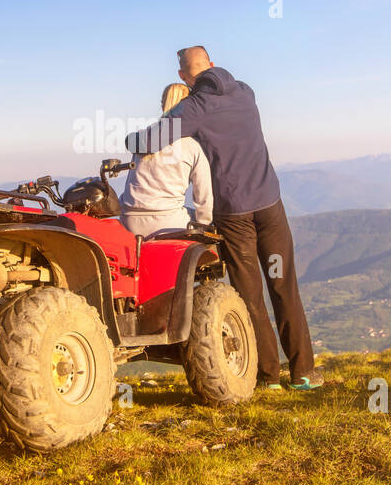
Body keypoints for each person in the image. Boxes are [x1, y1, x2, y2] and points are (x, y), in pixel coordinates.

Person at [123, 46, 321, 390]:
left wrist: (131, 139)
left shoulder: (194, 108)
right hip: (270, 204)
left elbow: (147, 140)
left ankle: (269, 376)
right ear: (212, 64)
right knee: (283, 285)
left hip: (234, 214)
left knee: (249, 294)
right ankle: (304, 372)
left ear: (185, 76)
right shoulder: (246, 92)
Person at [119, 83, 213, 239]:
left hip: (129, 220)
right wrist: (205, 224)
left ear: (163, 105)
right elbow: (204, 196)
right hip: (167, 223)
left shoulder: (143, 139)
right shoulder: (192, 145)